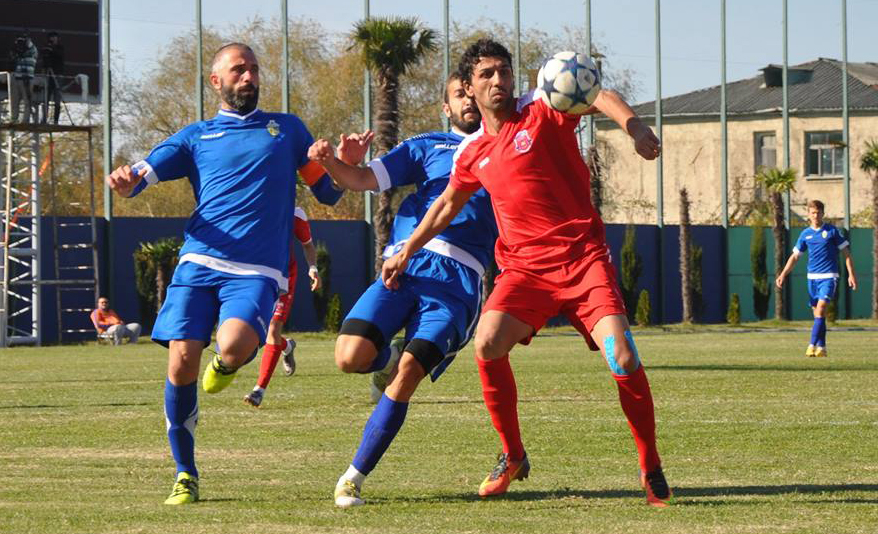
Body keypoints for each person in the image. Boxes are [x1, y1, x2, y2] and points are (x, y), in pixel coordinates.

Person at [382, 38, 672, 507]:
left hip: (583, 261)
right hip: (525, 272)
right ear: (469, 89)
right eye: (487, 75)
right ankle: (512, 455)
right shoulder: (472, 152)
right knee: (487, 342)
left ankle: (651, 465)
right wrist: (407, 251)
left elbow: (599, 93)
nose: (499, 81)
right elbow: (443, 209)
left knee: (622, 355)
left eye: (504, 71)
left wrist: (635, 128)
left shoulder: (543, 108)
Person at [105, 42, 343, 505]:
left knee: (232, 346)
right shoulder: (196, 136)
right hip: (199, 261)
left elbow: (329, 194)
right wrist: (124, 180)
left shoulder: (289, 130)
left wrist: (336, 161)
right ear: (216, 81)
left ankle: (228, 363)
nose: (249, 76)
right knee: (179, 362)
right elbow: (140, 176)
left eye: (254, 69)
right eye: (239, 70)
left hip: (257, 270)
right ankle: (185, 473)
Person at [308, 71, 497, 508]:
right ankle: (386, 356)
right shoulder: (426, 146)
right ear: (445, 108)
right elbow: (358, 181)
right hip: (404, 267)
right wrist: (337, 163)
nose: (469, 100)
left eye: (474, 93)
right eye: (458, 95)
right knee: (349, 358)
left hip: (457, 282)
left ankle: (353, 476)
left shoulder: (503, 151)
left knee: (409, 374)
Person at [243, 206, 321, 408]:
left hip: (284, 279)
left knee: (272, 330)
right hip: (254, 278)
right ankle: (286, 346)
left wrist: (313, 268)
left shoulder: (294, 213)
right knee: (253, 331)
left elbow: (308, 245)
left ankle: (259, 390)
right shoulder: (250, 206)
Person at [775, 199, 857, 357]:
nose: (816, 215)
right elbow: (795, 256)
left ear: (823, 214)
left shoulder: (832, 231)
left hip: (829, 276)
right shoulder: (805, 234)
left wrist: (851, 274)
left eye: (818, 212)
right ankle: (822, 348)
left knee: (820, 308)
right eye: (813, 213)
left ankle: (811, 344)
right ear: (808, 214)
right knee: (818, 314)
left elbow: (846, 254)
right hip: (812, 278)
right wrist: (783, 273)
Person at [9, 35, 38, 123]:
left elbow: (31, 46)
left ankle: (25, 121)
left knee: (27, 101)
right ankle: (14, 119)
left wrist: (27, 40)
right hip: (17, 78)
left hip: (28, 78)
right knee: (14, 101)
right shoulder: (18, 53)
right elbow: (12, 57)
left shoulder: (33, 51)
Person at [41, 31, 64, 125]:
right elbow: (44, 59)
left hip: (58, 75)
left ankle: (55, 120)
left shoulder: (60, 48)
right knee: (46, 98)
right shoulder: (47, 48)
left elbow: (59, 55)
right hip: (49, 75)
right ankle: (44, 119)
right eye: (52, 37)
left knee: (57, 99)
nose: (53, 39)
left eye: (55, 37)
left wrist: (52, 49)